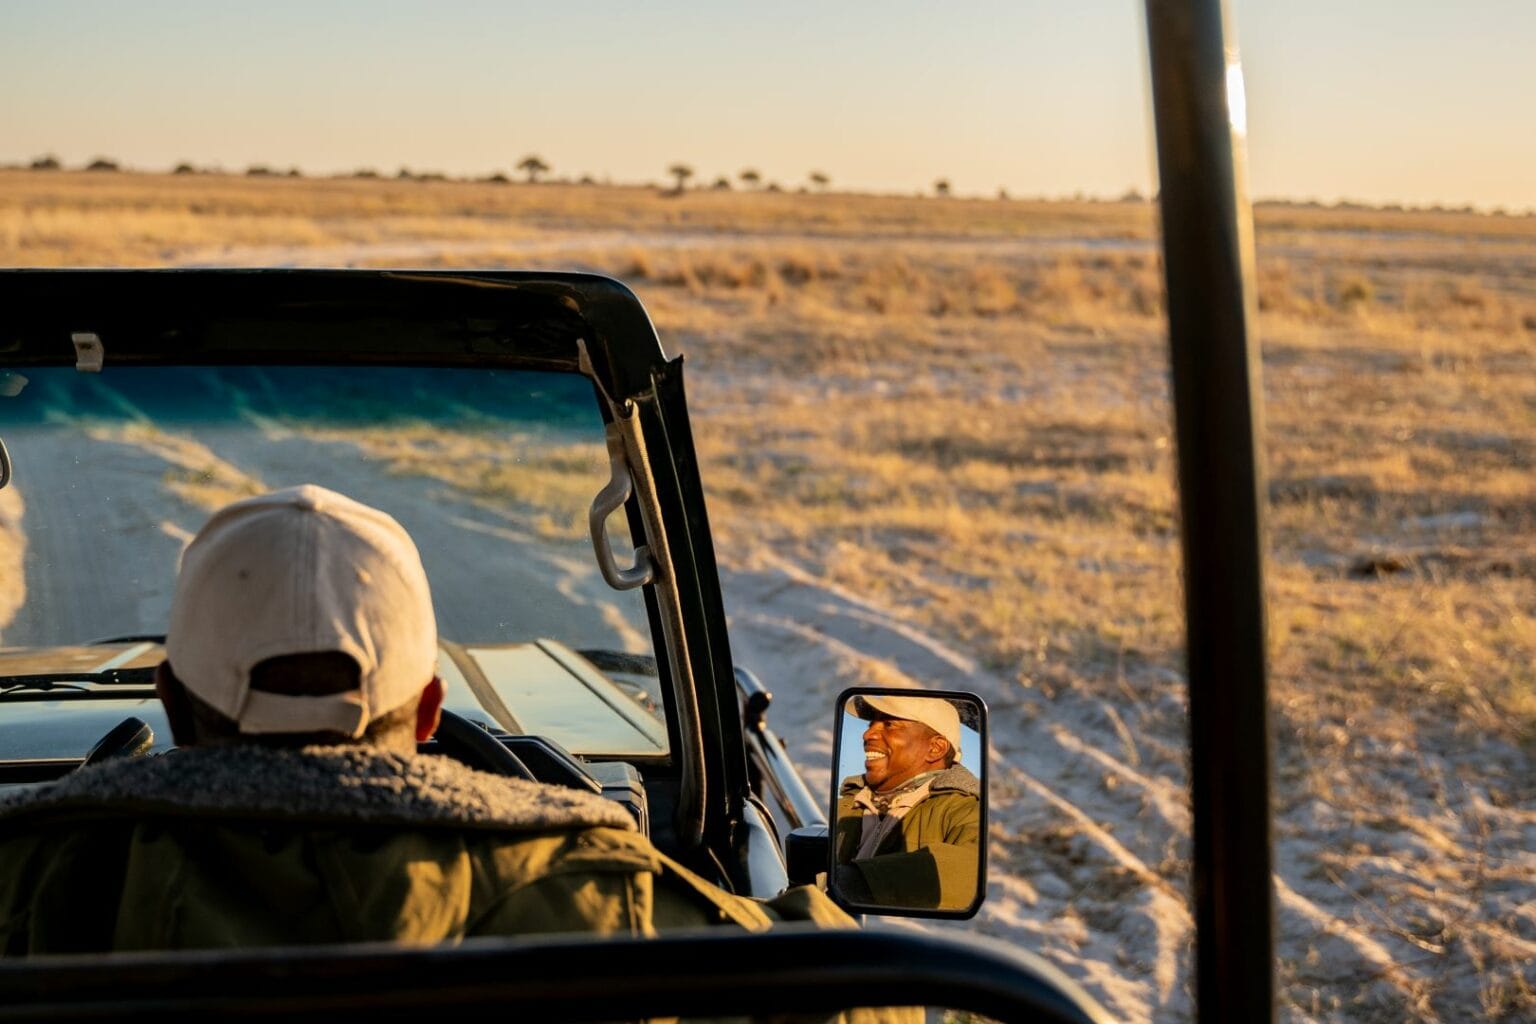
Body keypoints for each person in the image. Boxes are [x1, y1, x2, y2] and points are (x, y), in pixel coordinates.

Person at [0, 484, 856, 954]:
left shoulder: (39, 876)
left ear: (176, 709)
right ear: (430, 713)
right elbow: (857, 998)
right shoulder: (579, 891)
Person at [833, 695, 982, 911]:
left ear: (935, 748)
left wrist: (848, 884)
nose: (867, 734)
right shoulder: (848, 804)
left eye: (889, 724)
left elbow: (970, 870)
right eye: (870, 724)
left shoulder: (966, 811)